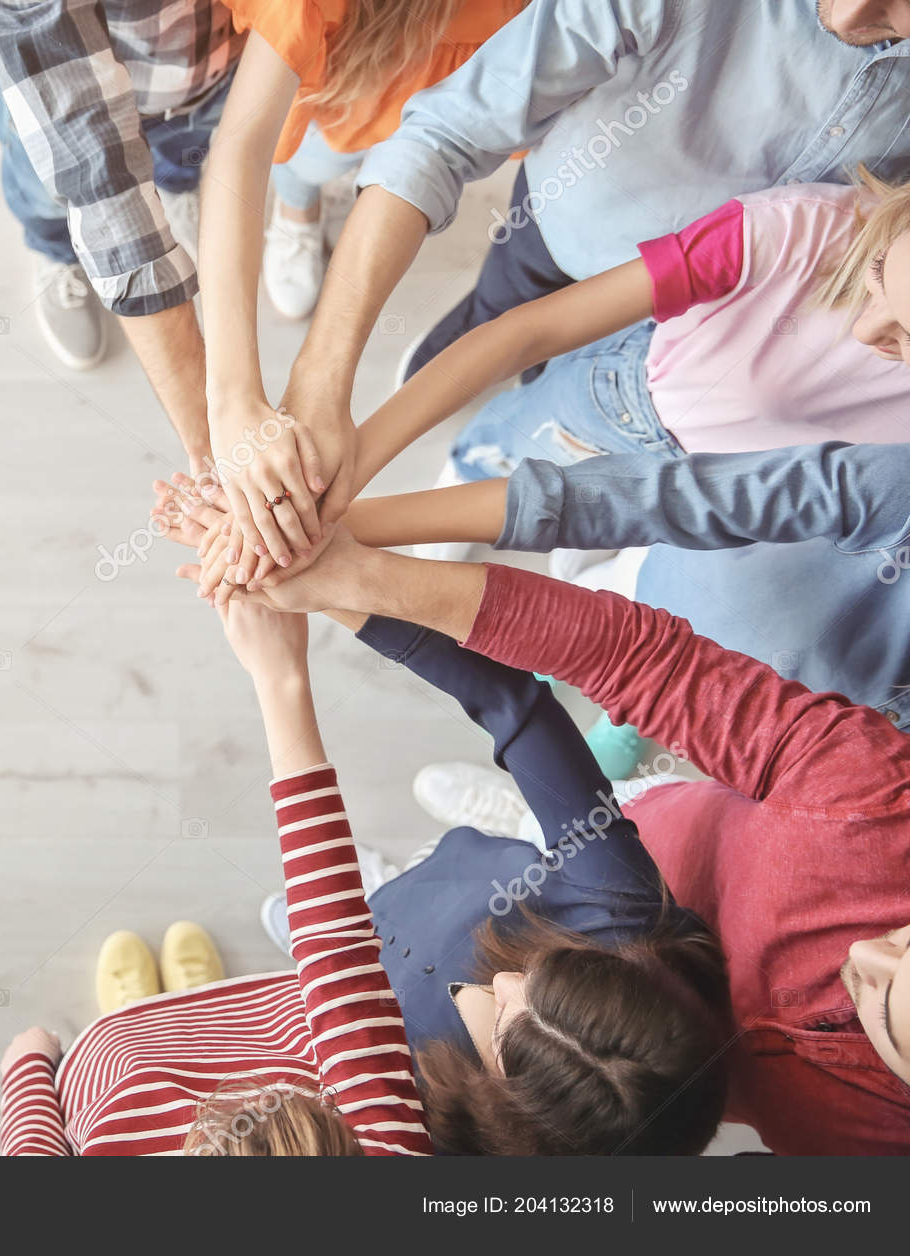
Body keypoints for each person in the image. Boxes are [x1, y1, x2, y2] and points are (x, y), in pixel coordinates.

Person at [182, 524, 910, 1155]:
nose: (504, 979)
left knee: (336, 949)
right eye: (551, 974)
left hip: (333, 978)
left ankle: (350, 920)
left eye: (505, 1022)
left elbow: (338, 983)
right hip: (473, 879)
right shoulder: (616, 915)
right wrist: (333, 590)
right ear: (620, 978)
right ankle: (439, 863)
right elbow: (519, 704)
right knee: (435, 881)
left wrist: (333, 947)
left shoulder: (411, 1129)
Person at [198, 168, 910, 771]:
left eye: (906, 335)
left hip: (728, 509)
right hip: (619, 407)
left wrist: (328, 533)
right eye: (878, 276)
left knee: (644, 598)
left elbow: (669, 512)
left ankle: (599, 677)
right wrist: (344, 480)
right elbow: (529, 331)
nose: (864, 330)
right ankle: (451, 537)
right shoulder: (793, 231)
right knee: (495, 457)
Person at [208, 0, 910, 573]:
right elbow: (444, 141)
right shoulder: (783, 227)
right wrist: (323, 389)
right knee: (498, 321)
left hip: (732, 352)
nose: (859, 16)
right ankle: (456, 371)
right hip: (561, 232)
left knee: (561, 417)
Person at [0, 597, 431, 1156]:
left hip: (110, 1075)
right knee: (249, 1024)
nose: (244, 1097)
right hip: (265, 1034)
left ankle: (136, 1016)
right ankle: (192, 1005)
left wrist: (27, 1078)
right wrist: (280, 678)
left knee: (128, 1051)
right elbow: (338, 958)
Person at [198, 0, 524, 573]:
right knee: (308, 158)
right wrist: (232, 398)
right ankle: (297, 210)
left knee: (389, 149)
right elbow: (241, 147)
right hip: (345, 88)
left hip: (463, 80)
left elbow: (438, 146)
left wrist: (322, 388)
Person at [0, 0, 242, 473]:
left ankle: (174, 192)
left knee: (185, 156)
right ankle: (58, 250)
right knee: (45, 196)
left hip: (210, 75)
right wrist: (212, 434)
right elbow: (83, 144)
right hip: (57, 97)